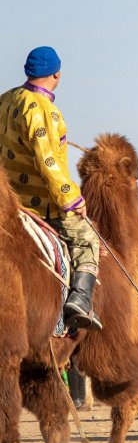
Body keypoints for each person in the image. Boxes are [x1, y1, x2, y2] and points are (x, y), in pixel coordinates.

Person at [0, 46, 101, 331]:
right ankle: (80, 301)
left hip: (7, 201)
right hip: (39, 205)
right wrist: (73, 199)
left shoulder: (6, 100)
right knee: (87, 240)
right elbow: (49, 163)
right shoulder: (44, 110)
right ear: (57, 74)